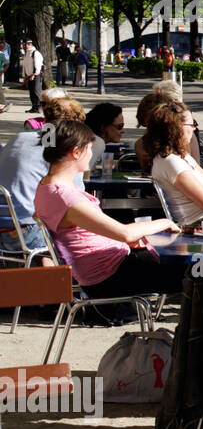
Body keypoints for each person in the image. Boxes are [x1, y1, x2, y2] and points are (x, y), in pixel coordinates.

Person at [34, 120, 184, 298]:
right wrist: (165, 222)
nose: (91, 154)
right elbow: (125, 233)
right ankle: (195, 325)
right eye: (89, 149)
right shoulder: (65, 197)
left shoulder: (47, 186)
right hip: (110, 276)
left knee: (195, 269)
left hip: (108, 269)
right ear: (76, 153)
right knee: (199, 271)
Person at [0, 96, 86, 253]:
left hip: (5, 227)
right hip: (28, 231)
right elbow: (78, 197)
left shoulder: (20, 138)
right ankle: (60, 275)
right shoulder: (61, 147)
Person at [85, 102, 125, 171]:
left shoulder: (89, 138)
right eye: (119, 126)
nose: (123, 130)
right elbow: (85, 172)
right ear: (103, 127)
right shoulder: (97, 142)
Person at [21, 39, 43, 113]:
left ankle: (39, 108)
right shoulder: (27, 53)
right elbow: (24, 65)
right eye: (25, 44)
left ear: (30, 44)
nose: (25, 45)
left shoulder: (35, 53)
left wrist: (34, 74)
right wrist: (24, 76)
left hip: (35, 75)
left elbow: (38, 64)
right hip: (28, 75)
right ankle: (34, 107)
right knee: (31, 92)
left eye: (27, 44)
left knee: (36, 92)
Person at [0, 38, 8, 113]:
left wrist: (2, 71)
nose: (2, 48)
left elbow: (7, 63)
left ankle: (3, 104)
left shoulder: (1, 54)